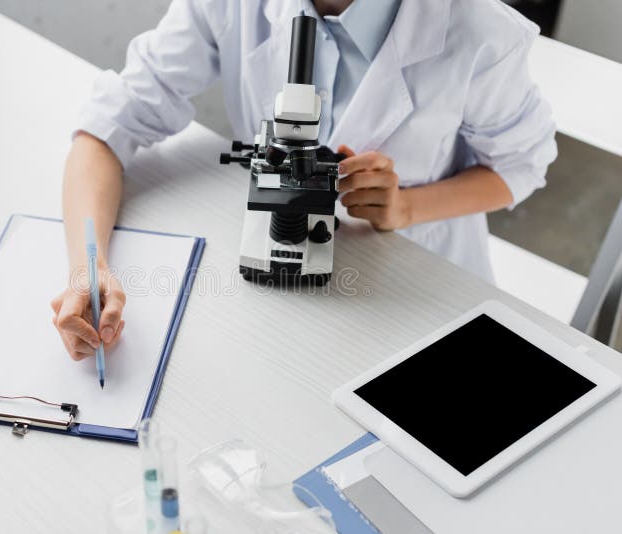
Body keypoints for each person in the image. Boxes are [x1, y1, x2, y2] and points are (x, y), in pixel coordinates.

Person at [51, 0, 557, 361]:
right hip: (278, 304)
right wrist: (86, 268)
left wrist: (405, 206)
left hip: (414, 290)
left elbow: (519, 165)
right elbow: (106, 127)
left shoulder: (478, 28)